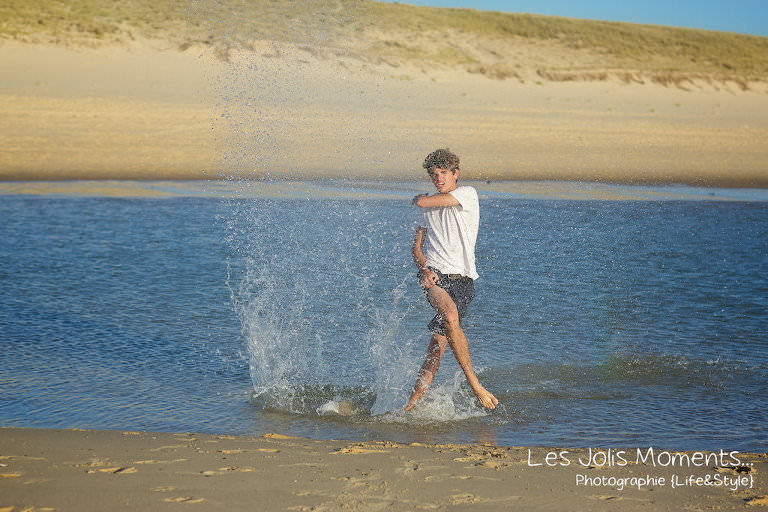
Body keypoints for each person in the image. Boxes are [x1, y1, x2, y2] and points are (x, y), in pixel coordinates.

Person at [405, 149, 499, 411]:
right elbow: (417, 248)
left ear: (455, 173)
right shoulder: (428, 205)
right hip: (435, 276)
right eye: (434, 174)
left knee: (437, 346)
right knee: (449, 315)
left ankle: (410, 406)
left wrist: (420, 199)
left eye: (443, 173)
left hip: (463, 282)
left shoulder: (467, 194)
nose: (438, 178)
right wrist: (425, 270)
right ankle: (476, 386)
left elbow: (424, 202)